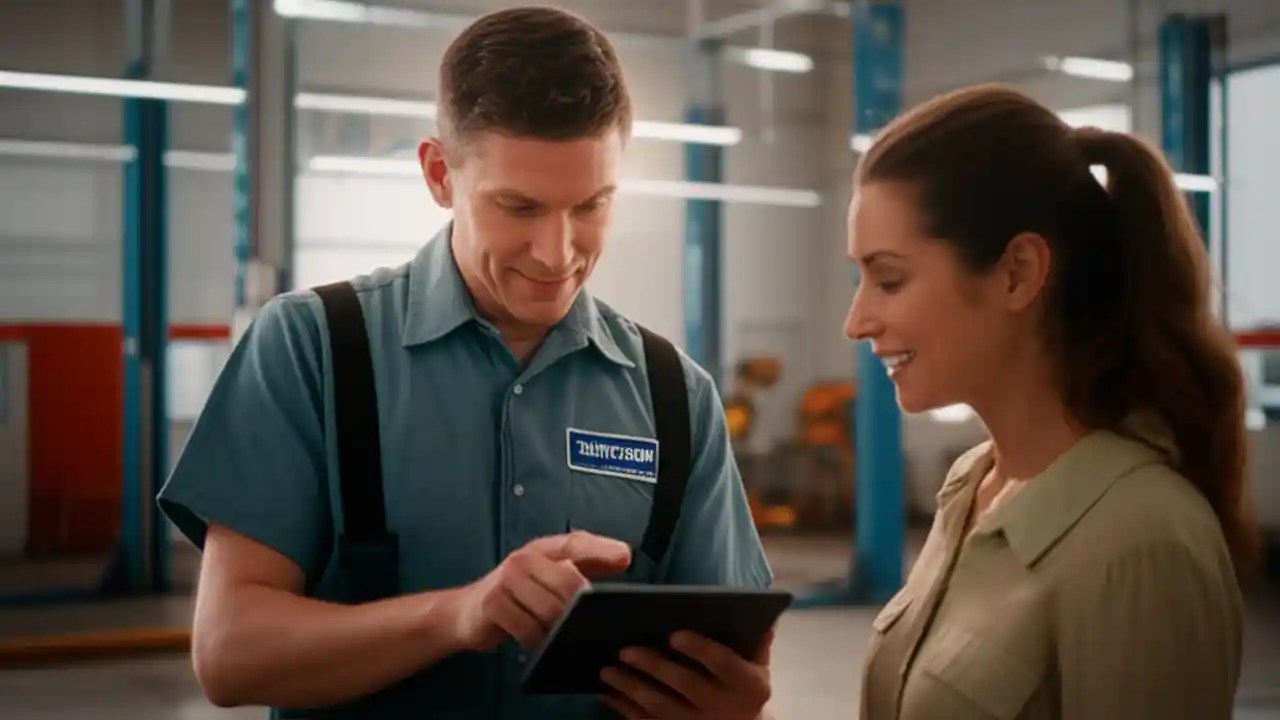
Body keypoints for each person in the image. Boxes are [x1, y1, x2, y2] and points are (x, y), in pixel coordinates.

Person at [157, 7, 775, 719]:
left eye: (591, 206)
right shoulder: (311, 351)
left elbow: (733, 665)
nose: (558, 252)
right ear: (438, 174)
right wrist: (458, 615)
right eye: (519, 207)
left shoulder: (676, 397)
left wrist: (737, 705)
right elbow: (230, 655)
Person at [845, 84, 1253, 719]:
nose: (857, 321)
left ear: (1018, 272)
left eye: (889, 279)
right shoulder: (970, 489)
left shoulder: (1142, 541)